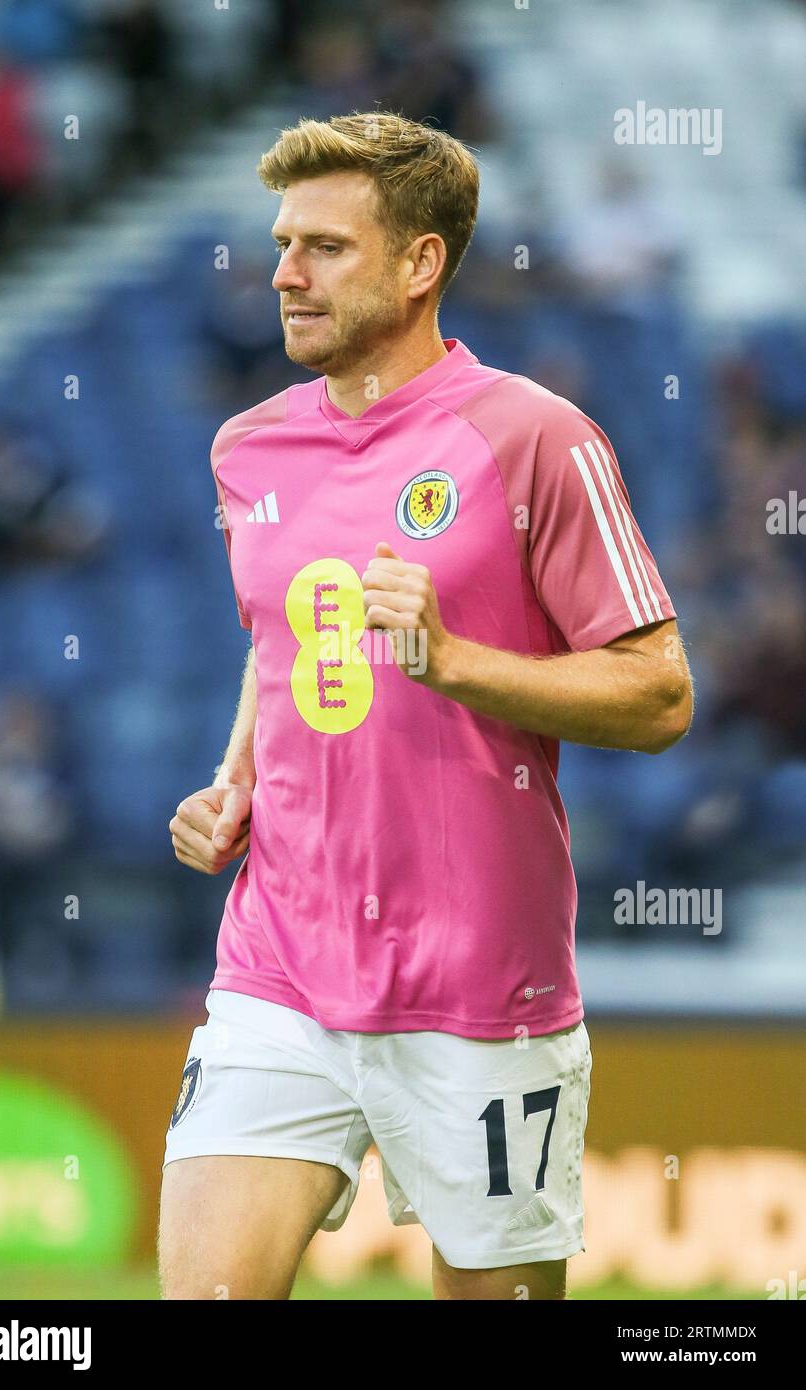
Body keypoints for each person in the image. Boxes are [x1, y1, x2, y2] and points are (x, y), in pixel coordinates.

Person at [160, 112, 693, 1301]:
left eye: (325, 247)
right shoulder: (247, 449)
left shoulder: (537, 441)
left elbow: (658, 692)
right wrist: (233, 779)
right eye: (282, 242)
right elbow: (277, 638)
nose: (284, 273)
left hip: (478, 991)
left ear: (418, 264)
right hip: (277, 965)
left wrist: (456, 661)